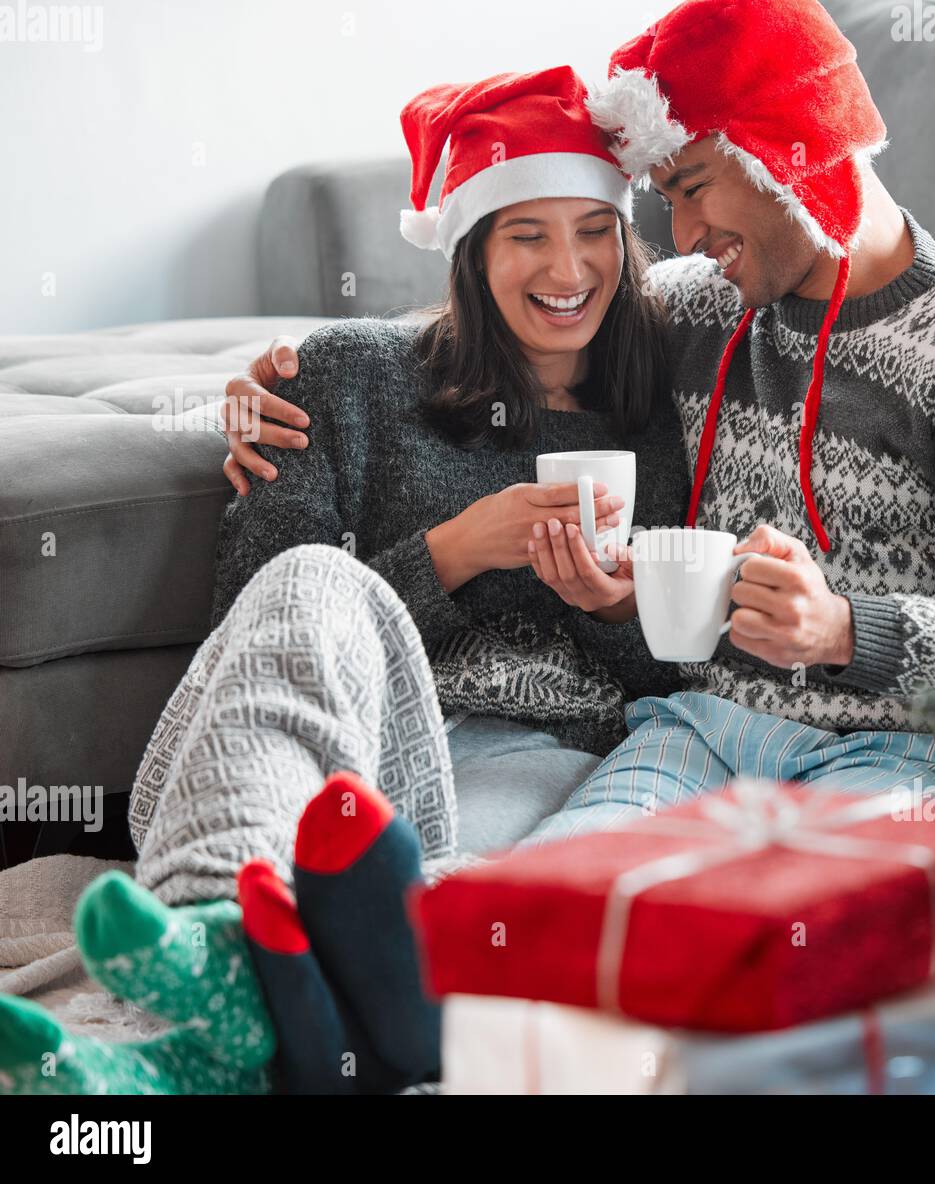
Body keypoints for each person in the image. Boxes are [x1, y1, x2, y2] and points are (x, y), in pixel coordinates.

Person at [227, 0, 935, 845]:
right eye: (664, 199)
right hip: (696, 728)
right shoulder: (701, 309)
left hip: (905, 752)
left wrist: (847, 630)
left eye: (695, 189)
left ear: (791, 150)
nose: (683, 234)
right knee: (550, 898)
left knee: (782, 926)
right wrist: (283, 384)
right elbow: (517, 327)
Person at [0, 66, 690, 1096]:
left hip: (525, 772)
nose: (569, 265)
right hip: (317, 750)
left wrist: (613, 605)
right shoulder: (349, 375)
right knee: (316, 573)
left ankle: (189, 1041)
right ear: (472, 250)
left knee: (412, 946)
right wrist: (455, 550)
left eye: (594, 228)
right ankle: (213, 924)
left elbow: (671, 676)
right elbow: (258, 606)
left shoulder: (659, 414)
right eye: (527, 234)